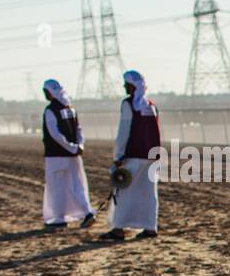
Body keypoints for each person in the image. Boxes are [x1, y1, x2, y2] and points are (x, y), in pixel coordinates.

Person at [102, 69, 161, 241]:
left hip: (132, 156)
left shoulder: (128, 105)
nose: (124, 87)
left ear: (133, 86)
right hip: (151, 157)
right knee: (149, 193)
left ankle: (118, 228)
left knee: (123, 191)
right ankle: (151, 227)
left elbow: (124, 132)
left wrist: (118, 156)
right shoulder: (151, 106)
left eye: (126, 84)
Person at [40, 79, 93, 230]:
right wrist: (78, 146)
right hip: (74, 155)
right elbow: (79, 130)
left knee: (57, 186)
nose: (45, 95)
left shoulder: (51, 110)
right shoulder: (70, 109)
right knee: (77, 185)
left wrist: (71, 148)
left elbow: (55, 134)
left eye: (46, 92)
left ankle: (59, 218)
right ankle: (87, 212)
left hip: (56, 156)